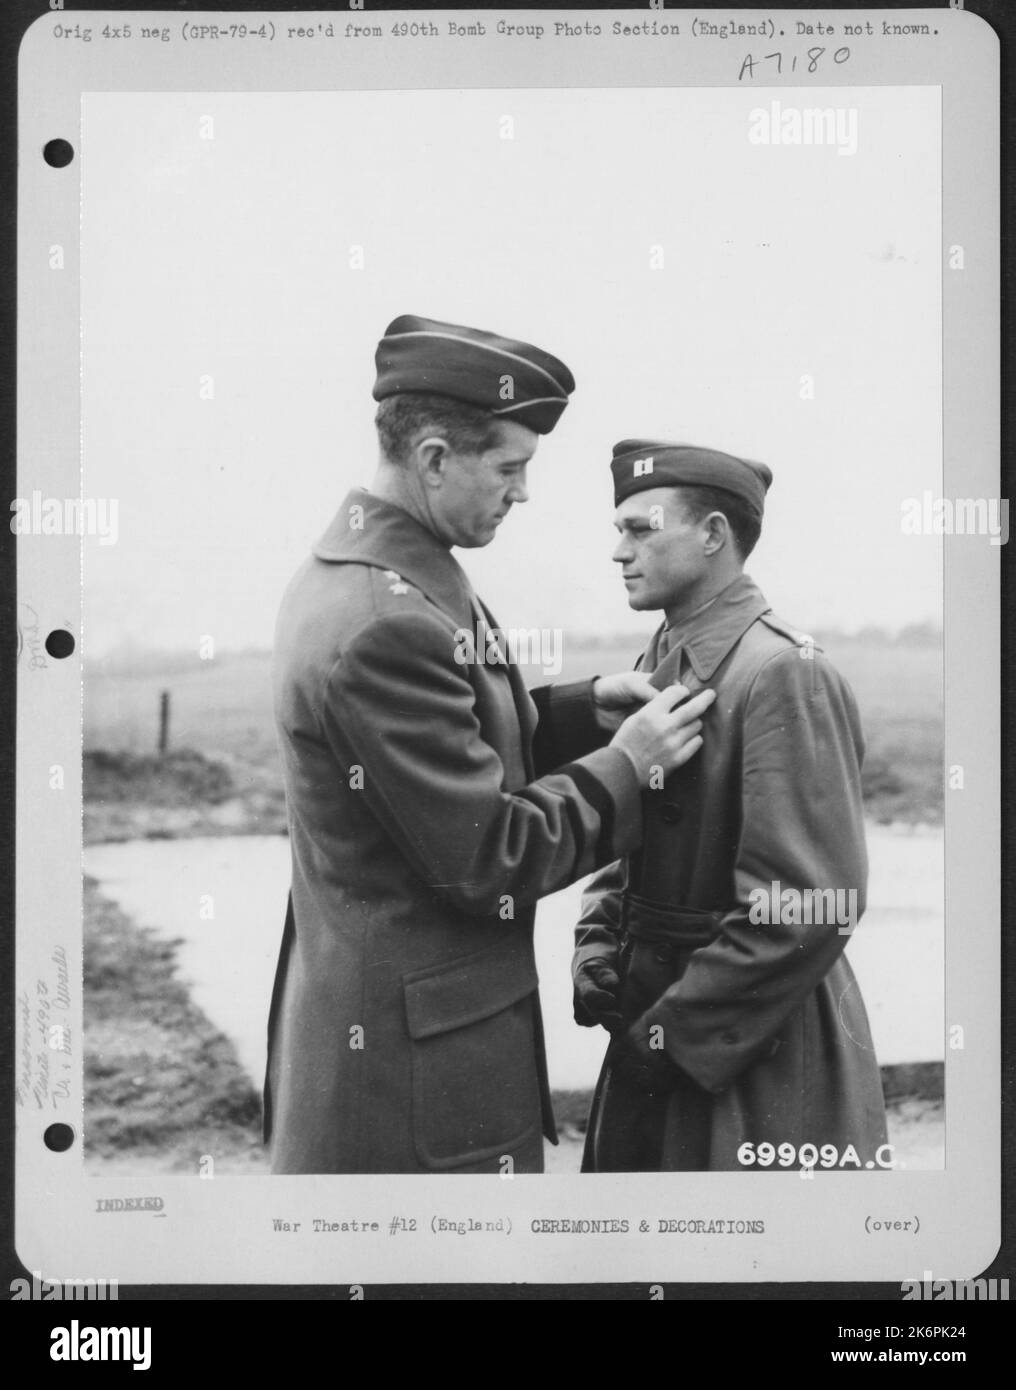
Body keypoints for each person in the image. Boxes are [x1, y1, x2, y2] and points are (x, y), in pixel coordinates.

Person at [263, 320, 715, 1174]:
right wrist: (632, 765)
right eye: (510, 468)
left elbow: (441, 755)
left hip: (397, 1046)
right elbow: (490, 854)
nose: (524, 493)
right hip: (412, 1089)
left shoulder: (372, 574)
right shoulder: (387, 621)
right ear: (434, 458)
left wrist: (584, 713)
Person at [573, 439, 887, 1172]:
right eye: (617, 529)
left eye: (640, 529)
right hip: (657, 1021)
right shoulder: (665, 654)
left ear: (714, 534)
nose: (618, 551)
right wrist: (596, 939)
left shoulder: (783, 672)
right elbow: (635, 834)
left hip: (747, 1048)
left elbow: (810, 903)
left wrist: (677, 1039)